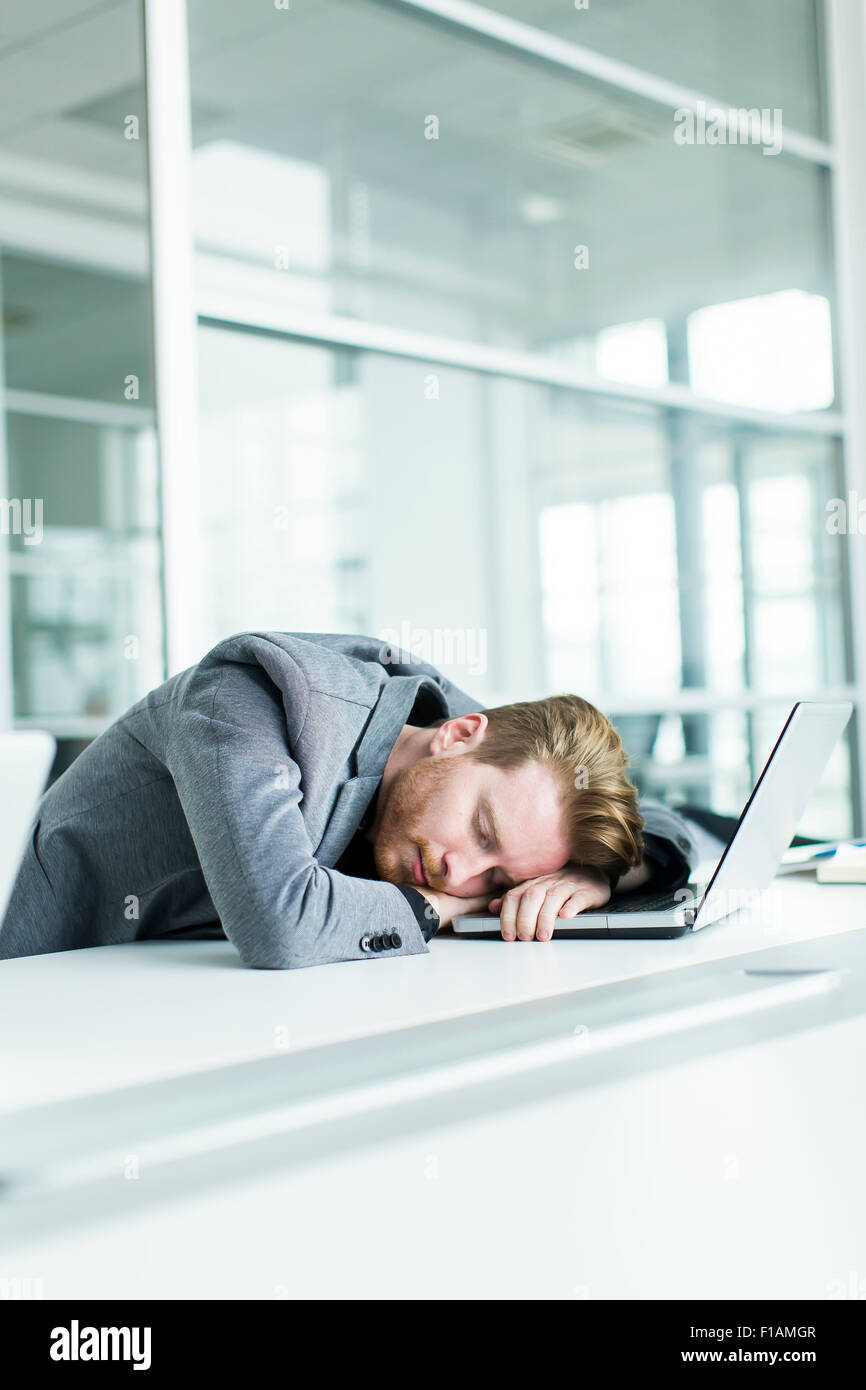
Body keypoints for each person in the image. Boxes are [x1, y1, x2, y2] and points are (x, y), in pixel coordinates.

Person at [0, 631, 698, 967]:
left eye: (501, 879)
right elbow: (280, 923)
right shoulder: (249, 699)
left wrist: (585, 875)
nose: (464, 872)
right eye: (482, 833)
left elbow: (664, 821)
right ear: (459, 734)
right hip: (42, 985)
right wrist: (447, 908)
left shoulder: (480, 756)